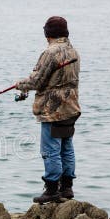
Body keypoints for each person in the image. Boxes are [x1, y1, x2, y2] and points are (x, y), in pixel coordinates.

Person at [15, 16, 81, 203]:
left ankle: (52, 189)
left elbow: (36, 81)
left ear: (47, 33)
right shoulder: (73, 51)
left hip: (53, 110)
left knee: (50, 149)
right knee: (66, 147)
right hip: (71, 107)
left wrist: (19, 85)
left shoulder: (50, 53)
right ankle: (67, 188)